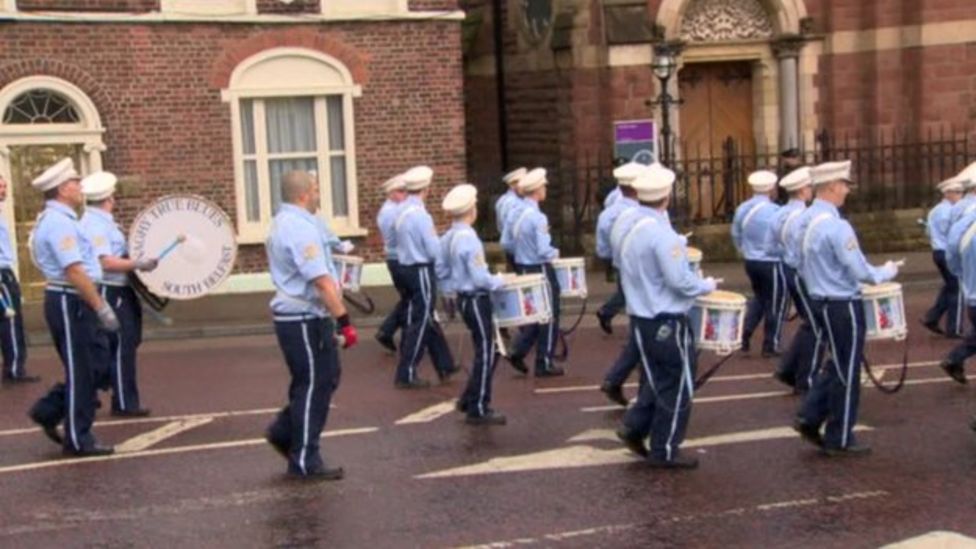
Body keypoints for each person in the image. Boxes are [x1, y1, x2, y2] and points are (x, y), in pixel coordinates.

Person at [614, 165, 718, 469]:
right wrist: (706, 285)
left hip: (641, 317)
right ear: (666, 197)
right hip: (666, 318)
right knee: (678, 384)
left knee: (658, 380)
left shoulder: (631, 228)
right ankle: (666, 448)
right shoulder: (663, 234)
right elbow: (680, 282)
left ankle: (635, 426)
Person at [793, 160, 899, 457]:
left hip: (818, 298)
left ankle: (810, 415)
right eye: (844, 186)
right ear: (831, 187)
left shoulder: (803, 220)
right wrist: (887, 271)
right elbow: (861, 271)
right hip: (842, 302)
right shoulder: (837, 226)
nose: (846, 191)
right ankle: (839, 436)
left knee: (837, 362)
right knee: (847, 370)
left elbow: (794, 260)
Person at [264, 170, 359, 480]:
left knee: (323, 378)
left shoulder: (291, 221)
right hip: (304, 318)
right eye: (316, 189)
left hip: (301, 317)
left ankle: (284, 432)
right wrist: (344, 321)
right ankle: (305, 459)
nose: (319, 194)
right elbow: (321, 281)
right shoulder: (299, 228)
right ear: (304, 194)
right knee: (314, 385)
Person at [26, 158, 120, 457]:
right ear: (62, 189)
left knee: (97, 363)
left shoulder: (63, 219)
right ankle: (78, 438)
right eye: (75, 182)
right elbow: (74, 270)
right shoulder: (59, 223)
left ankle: (50, 409)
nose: (80, 187)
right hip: (72, 300)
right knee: (83, 370)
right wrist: (100, 305)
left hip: (76, 299)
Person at [79, 171, 158, 417]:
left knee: (121, 344)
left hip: (119, 289)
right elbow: (106, 262)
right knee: (122, 345)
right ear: (109, 198)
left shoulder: (100, 221)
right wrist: (138, 264)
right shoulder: (96, 225)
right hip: (112, 289)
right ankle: (124, 402)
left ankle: (97, 393)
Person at [436, 184, 507, 425]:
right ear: (471, 210)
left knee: (488, 349)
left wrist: (449, 291)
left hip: (463, 298)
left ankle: (469, 397)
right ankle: (478, 407)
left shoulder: (448, 237)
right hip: (476, 298)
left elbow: (441, 270)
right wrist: (499, 280)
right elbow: (480, 278)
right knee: (487, 351)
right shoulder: (469, 239)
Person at [393, 165, 457, 388]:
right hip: (420, 268)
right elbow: (433, 249)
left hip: (405, 267)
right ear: (426, 189)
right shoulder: (421, 216)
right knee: (421, 321)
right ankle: (407, 371)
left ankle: (444, 363)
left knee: (427, 318)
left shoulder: (400, 211)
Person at [507, 168, 564, 377]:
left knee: (534, 314)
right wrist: (555, 252)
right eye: (543, 186)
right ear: (537, 190)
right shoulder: (538, 217)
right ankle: (544, 361)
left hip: (523, 266)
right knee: (549, 314)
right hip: (539, 267)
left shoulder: (515, 213)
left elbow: (507, 242)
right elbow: (543, 250)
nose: (545, 189)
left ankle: (519, 349)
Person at [771, 167, 823, 392]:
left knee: (810, 323)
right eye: (809, 187)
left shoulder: (780, 214)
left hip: (788, 268)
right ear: (803, 190)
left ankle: (789, 369)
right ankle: (806, 378)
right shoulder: (803, 216)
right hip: (802, 272)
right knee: (818, 326)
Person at [731, 170, 783, 357]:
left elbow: (735, 233)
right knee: (775, 303)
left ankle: (745, 333)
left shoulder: (742, 208)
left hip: (751, 260)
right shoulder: (776, 211)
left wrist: (742, 249)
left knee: (760, 298)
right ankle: (770, 343)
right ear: (771, 189)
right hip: (771, 262)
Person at [594, 162, 646, 335]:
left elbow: (602, 245)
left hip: (620, 261)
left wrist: (611, 257)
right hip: (642, 261)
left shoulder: (608, 212)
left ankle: (609, 314)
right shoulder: (645, 210)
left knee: (627, 293)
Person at [0, 174, 36, 384]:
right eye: (0, 187)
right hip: (1, 273)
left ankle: (14, 365)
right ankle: (14, 368)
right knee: (10, 320)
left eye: (4, 187)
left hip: (6, 271)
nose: (3, 191)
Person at [921, 176, 965, 338]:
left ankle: (932, 317)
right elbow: (953, 233)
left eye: (960, 192)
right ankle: (954, 328)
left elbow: (928, 231)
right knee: (957, 289)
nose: (960, 196)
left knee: (950, 286)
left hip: (938, 251)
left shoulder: (935, 210)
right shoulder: (949, 212)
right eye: (957, 192)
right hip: (948, 252)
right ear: (947, 193)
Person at [375, 173, 408, 353]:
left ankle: (388, 331)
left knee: (409, 299)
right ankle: (389, 331)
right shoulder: (392, 212)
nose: (405, 195)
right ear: (391, 193)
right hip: (399, 259)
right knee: (411, 300)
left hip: (397, 258)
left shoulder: (392, 209)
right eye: (401, 191)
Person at [494, 167, 526, 270]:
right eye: (522, 184)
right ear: (512, 185)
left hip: (508, 247)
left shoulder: (502, 200)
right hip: (518, 248)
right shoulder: (515, 203)